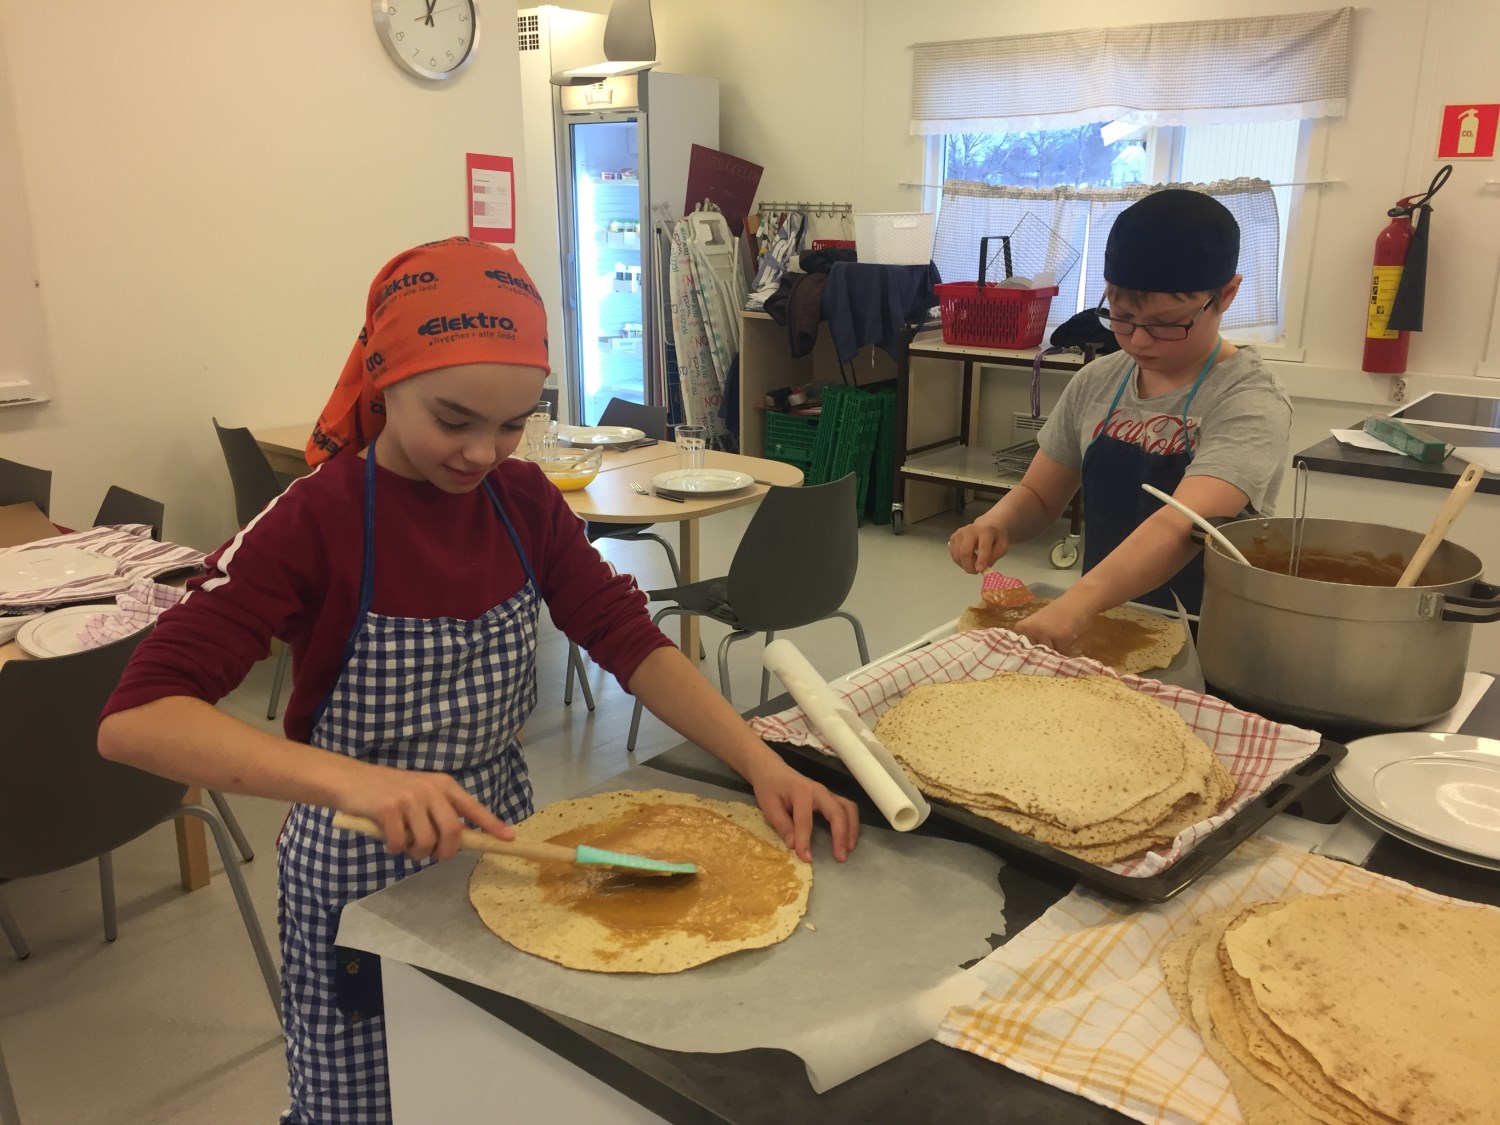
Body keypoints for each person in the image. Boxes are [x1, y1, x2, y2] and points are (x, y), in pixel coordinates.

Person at [97, 236, 859, 1125]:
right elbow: (138, 716)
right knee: (373, 1101)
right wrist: (358, 780)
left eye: (513, 423)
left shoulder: (524, 500)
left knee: (494, 1085)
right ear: (383, 383)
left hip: (508, 854)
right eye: (452, 419)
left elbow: (627, 637)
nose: (482, 453)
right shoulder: (315, 520)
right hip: (357, 879)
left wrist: (756, 758)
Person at [948, 189, 1291, 654]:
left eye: (1168, 323)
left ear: (1226, 295)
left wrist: (1078, 601)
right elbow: (1040, 495)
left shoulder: (1247, 399)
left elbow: (1183, 526)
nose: (1140, 341)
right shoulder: (1098, 381)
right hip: (1106, 619)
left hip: (1211, 633)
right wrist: (997, 523)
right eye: (1123, 319)